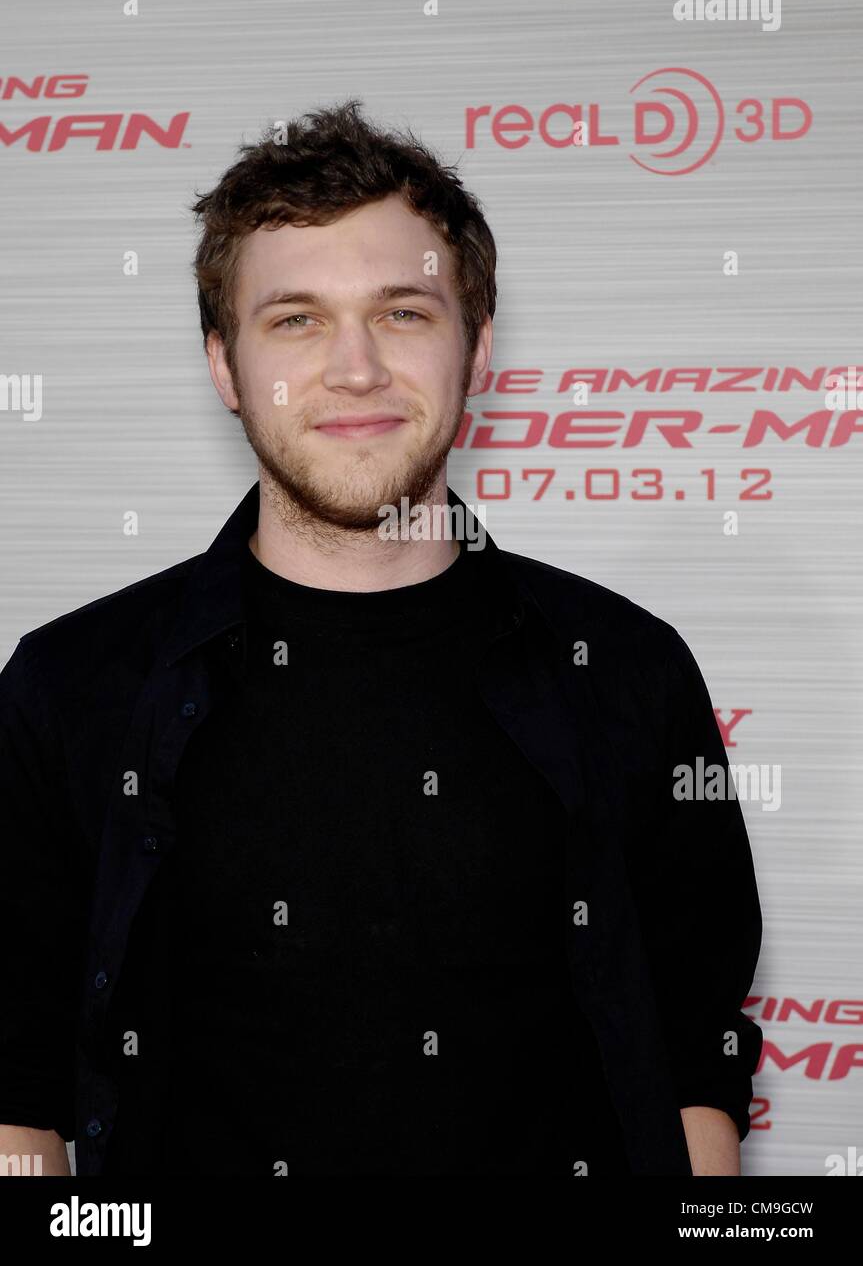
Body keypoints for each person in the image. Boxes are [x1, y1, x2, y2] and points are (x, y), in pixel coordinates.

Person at [0, 99, 762, 1177]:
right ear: (223, 365)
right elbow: (18, 1092)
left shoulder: (626, 669)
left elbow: (694, 1067)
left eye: (402, 312)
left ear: (477, 346)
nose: (354, 370)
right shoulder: (73, 686)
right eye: (295, 319)